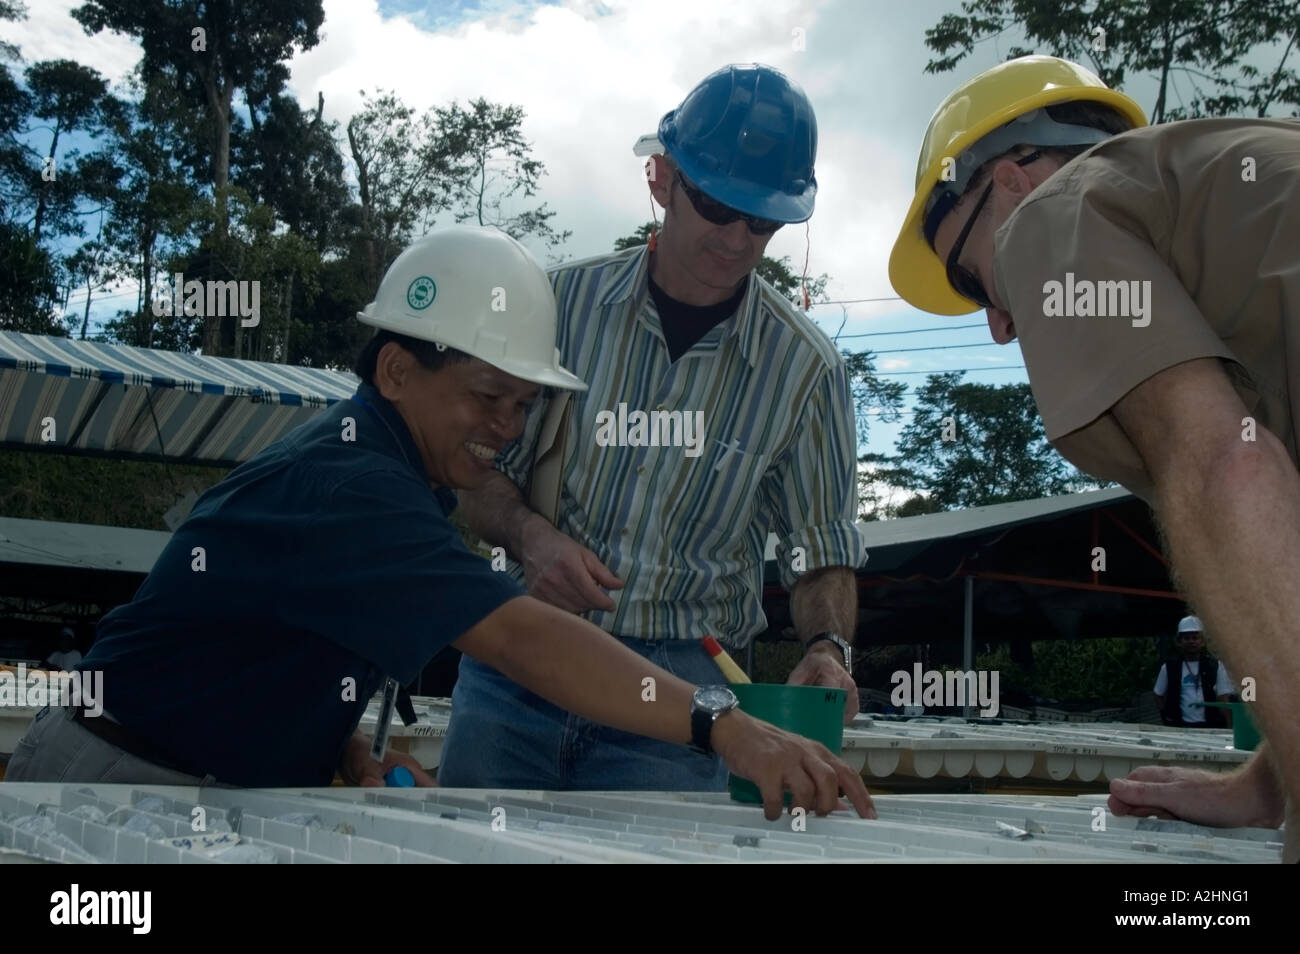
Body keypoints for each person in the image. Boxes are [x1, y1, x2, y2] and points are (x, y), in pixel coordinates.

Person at [4, 225, 873, 823]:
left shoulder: (383, 472)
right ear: (395, 369)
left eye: (524, 406)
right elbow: (523, 639)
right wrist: (725, 723)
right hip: (114, 780)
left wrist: (336, 747)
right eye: (488, 398)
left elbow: (260, 646)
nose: (506, 427)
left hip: (169, 776)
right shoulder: (351, 486)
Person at [888, 54, 1299, 859]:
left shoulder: (1055, 211)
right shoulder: (1237, 192)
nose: (998, 324)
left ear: (1009, 179)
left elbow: (1224, 469)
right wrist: (1273, 779)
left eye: (974, 280)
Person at [438, 64, 866, 792]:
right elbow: (469, 469)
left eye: (762, 220)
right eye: (716, 204)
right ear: (661, 178)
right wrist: (531, 538)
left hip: (688, 694)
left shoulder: (805, 370)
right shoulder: (556, 309)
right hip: (523, 655)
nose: (736, 239)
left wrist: (828, 645)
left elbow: (819, 547)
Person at [1152, 615, 1233, 728]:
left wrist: (1229, 727)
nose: (1191, 641)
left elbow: (1223, 698)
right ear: (1179, 642)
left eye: (1195, 638)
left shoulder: (1215, 666)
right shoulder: (1169, 668)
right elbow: (1157, 695)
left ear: (1202, 642)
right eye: (1186, 638)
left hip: (1211, 726)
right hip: (1180, 727)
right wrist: (1167, 718)